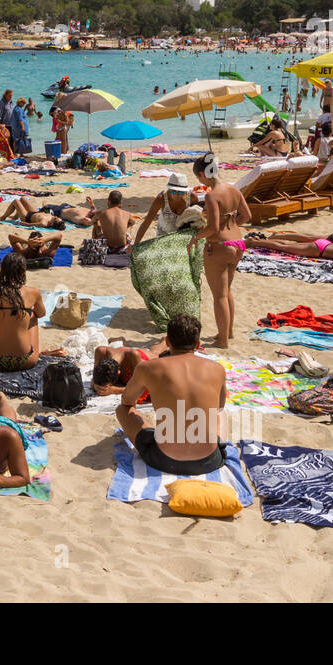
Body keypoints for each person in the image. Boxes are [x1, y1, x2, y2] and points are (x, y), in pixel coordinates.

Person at [114, 314, 228, 475]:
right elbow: (220, 406)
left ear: (167, 342)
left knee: (122, 409)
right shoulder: (217, 369)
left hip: (165, 460)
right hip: (210, 460)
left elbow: (127, 400)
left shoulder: (148, 368)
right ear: (197, 344)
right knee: (220, 413)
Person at [187, 153, 250, 349]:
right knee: (227, 291)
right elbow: (246, 215)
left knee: (219, 295)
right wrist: (230, 226)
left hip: (220, 247)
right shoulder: (234, 190)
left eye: (199, 178)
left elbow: (213, 227)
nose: (201, 182)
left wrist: (195, 238)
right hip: (238, 243)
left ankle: (222, 340)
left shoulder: (212, 195)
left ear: (201, 174)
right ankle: (227, 332)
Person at [0, 252, 45, 370]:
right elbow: (41, 314)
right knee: (33, 316)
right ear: (23, 270)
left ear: (3, 269)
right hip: (24, 360)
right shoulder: (33, 292)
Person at [247, 227, 333, 264]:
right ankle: (253, 242)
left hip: (325, 245)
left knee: (289, 244)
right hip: (320, 250)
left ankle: (259, 240)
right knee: (284, 247)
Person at [134, 171, 200, 244]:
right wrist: (136, 244)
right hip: (163, 233)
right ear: (169, 189)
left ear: (185, 192)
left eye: (181, 192)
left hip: (183, 235)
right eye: (174, 192)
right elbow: (147, 222)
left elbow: (198, 218)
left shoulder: (192, 198)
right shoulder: (161, 199)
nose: (177, 195)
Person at [0, 195, 94, 228]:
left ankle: (3, 217)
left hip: (27, 216)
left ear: (54, 223)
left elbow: (30, 225)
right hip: (35, 212)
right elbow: (48, 212)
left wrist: (20, 223)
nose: (57, 217)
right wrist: (45, 206)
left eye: (58, 219)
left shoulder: (44, 223)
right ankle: (13, 216)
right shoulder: (52, 217)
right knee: (23, 199)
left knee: (16, 201)